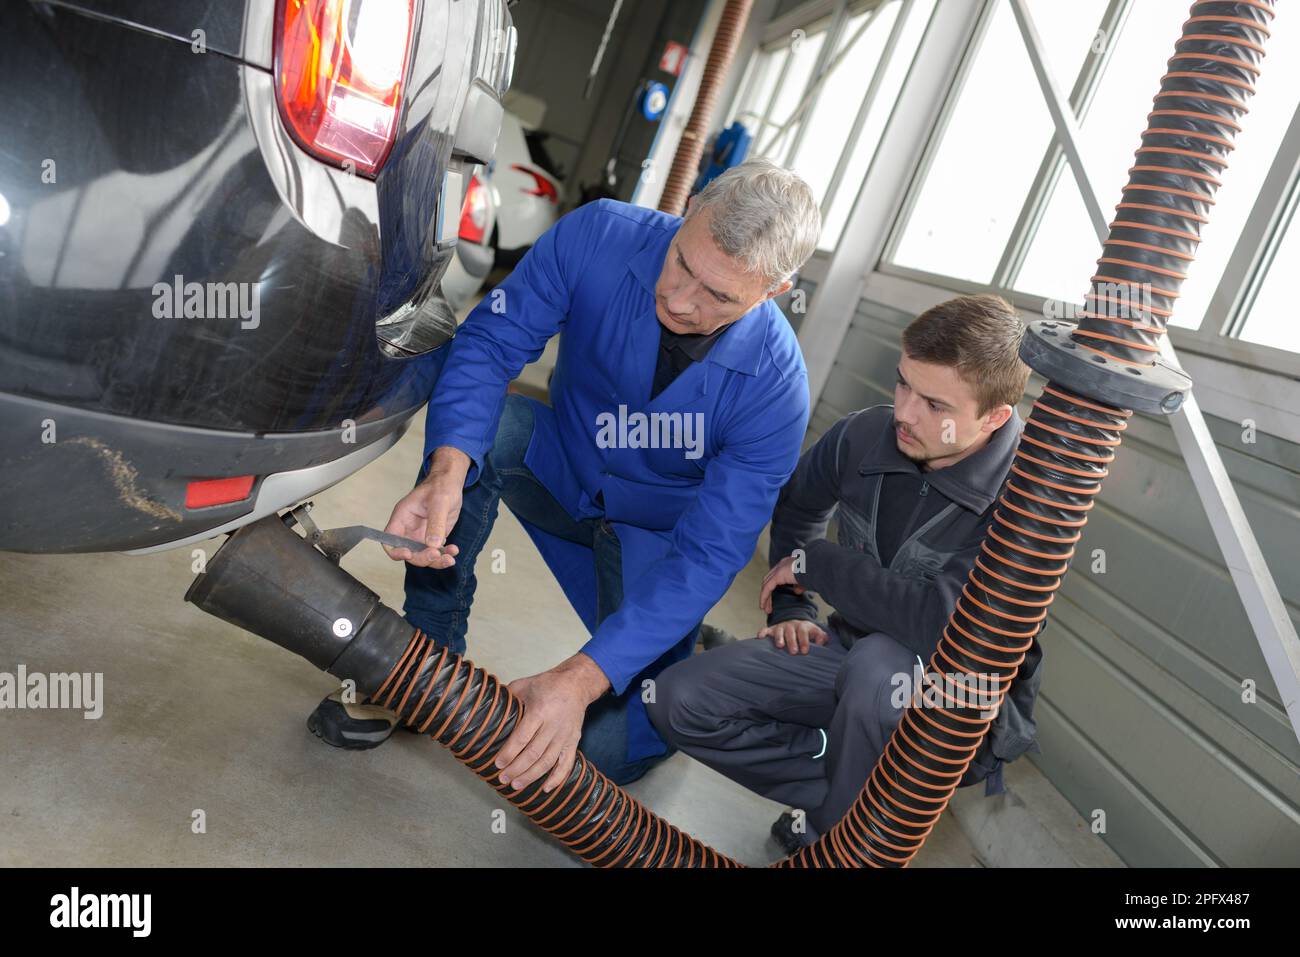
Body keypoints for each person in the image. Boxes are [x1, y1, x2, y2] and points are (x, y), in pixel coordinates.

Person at [307, 160, 821, 797]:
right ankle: (423, 666)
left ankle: (694, 654)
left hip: (654, 542)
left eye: (720, 297)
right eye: (683, 263)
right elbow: (492, 342)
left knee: (586, 760)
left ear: (775, 290)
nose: (680, 300)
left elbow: (710, 554)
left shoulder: (778, 391)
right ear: (687, 210)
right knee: (481, 436)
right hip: (564, 470)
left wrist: (579, 680)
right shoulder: (598, 235)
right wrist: (446, 471)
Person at [647, 294, 1044, 852]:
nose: (904, 412)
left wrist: (822, 565)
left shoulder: (1029, 505)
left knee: (881, 673)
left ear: (995, 417)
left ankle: (831, 838)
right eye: (903, 383)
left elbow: (942, 625)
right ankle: (850, 792)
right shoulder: (865, 435)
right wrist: (792, 607)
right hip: (848, 650)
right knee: (676, 699)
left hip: (948, 696)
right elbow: (800, 507)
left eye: (935, 405)